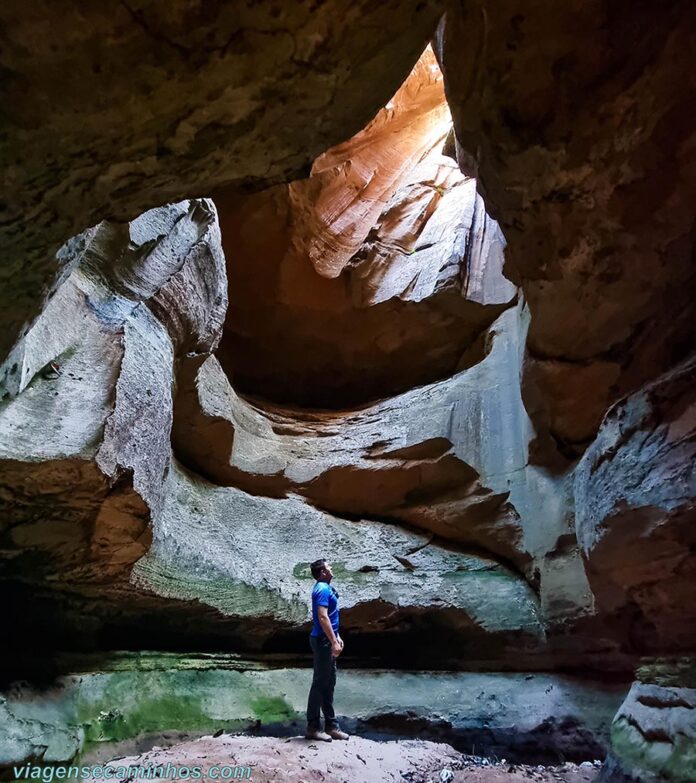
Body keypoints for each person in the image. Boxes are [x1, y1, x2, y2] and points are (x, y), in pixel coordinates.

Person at [305, 558, 349, 741]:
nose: (332, 567)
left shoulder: (326, 588)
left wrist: (336, 636)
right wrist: (333, 641)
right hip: (323, 641)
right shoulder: (322, 589)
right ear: (323, 572)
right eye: (329, 566)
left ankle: (331, 726)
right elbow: (323, 617)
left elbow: (330, 616)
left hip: (327, 639)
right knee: (319, 684)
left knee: (328, 684)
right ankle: (313, 728)